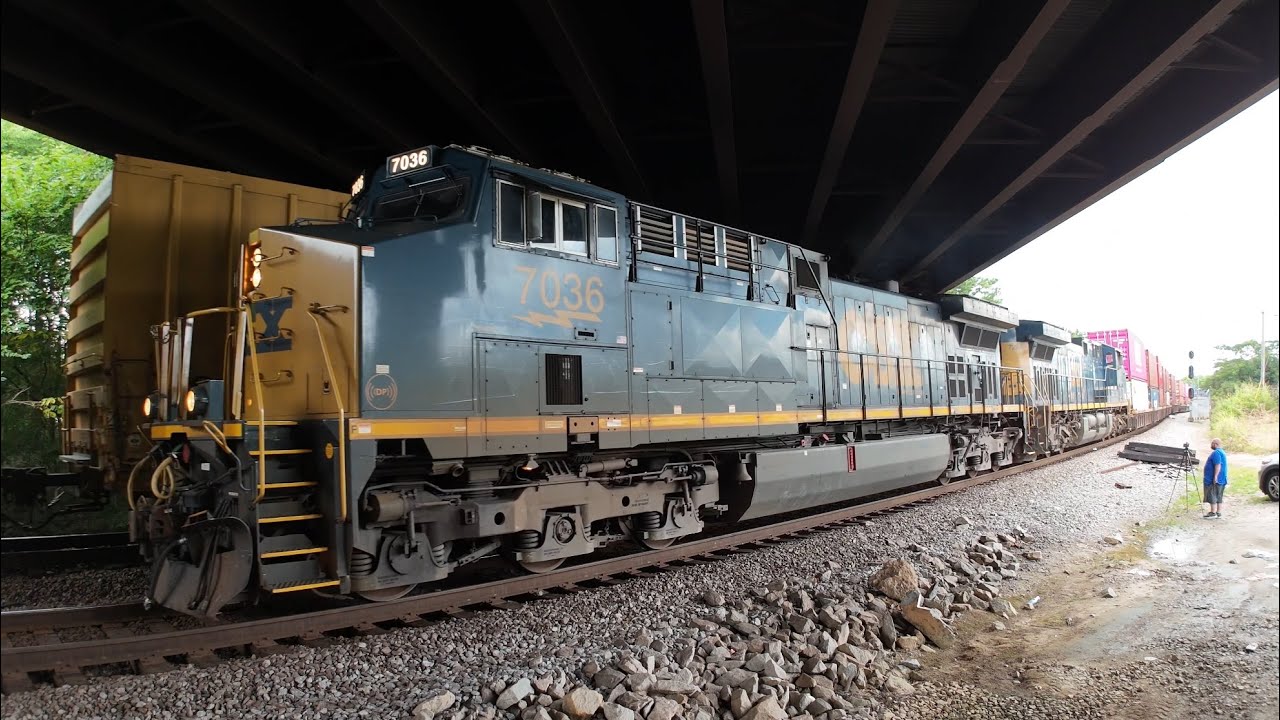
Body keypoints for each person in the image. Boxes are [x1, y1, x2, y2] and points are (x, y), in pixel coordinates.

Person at [1203, 438, 1228, 519]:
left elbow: (1218, 465)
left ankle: (1213, 512)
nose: (1211, 445)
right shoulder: (1222, 452)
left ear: (1215, 444)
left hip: (1216, 479)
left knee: (1212, 494)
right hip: (1222, 478)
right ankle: (1218, 512)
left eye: (1212, 443)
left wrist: (1215, 476)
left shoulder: (1216, 453)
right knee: (1219, 495)